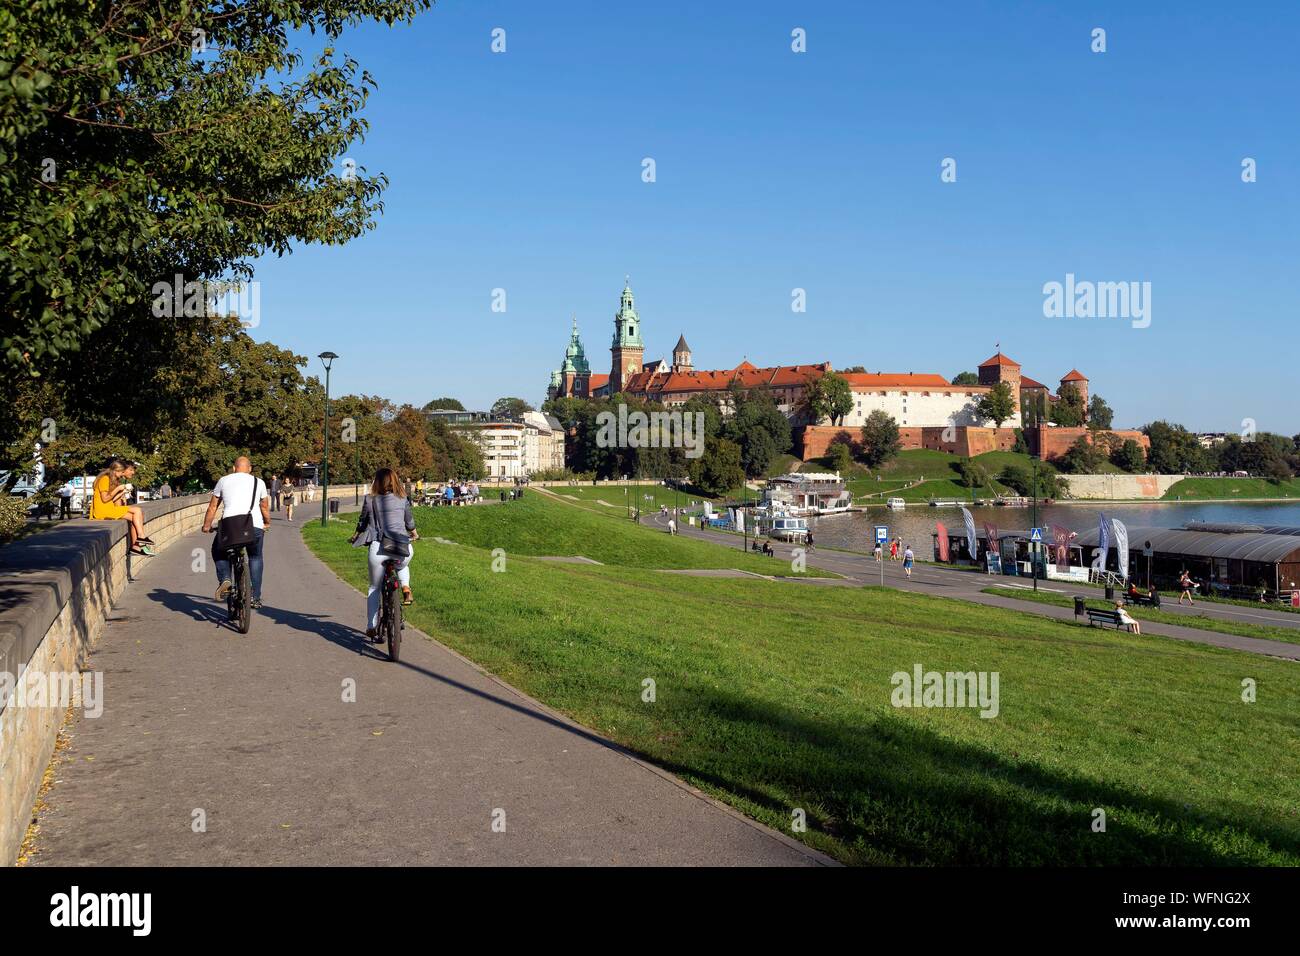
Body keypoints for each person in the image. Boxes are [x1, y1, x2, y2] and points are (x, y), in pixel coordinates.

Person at [351, 467, 419, 640]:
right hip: (401, 546)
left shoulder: (369, 499)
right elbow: (409, 521)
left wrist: (356, 534)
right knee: (402, 564)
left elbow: (363, 521)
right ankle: (405, 586)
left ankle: (371, 625)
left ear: (377, 482)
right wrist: (414, 533)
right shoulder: (402, 498)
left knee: (374, 587)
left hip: (379, 547)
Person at [201, 457, 270, 609]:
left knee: (218, 550)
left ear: (234, 468)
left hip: (230, 527)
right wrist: (267, 522)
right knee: (256, 556)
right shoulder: (259, 482)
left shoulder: (224, 480)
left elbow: (213, 507)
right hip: (254, 525)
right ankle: (254, 597)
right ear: (250, 469)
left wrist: (206, 526)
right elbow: (264, 506)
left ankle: (225, 578)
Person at [90, 458, 154, 555]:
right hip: (102, 511)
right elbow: (105, 499)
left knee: (135, 517)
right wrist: (118, 489)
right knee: (137, 510)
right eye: (121, 472)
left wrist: (122, 493)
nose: (122, 475)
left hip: (109, 508)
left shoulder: (111, 479)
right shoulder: (104, 479)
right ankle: (141, 537)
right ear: (116, 471)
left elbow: (113, 500)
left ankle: (135, 547)